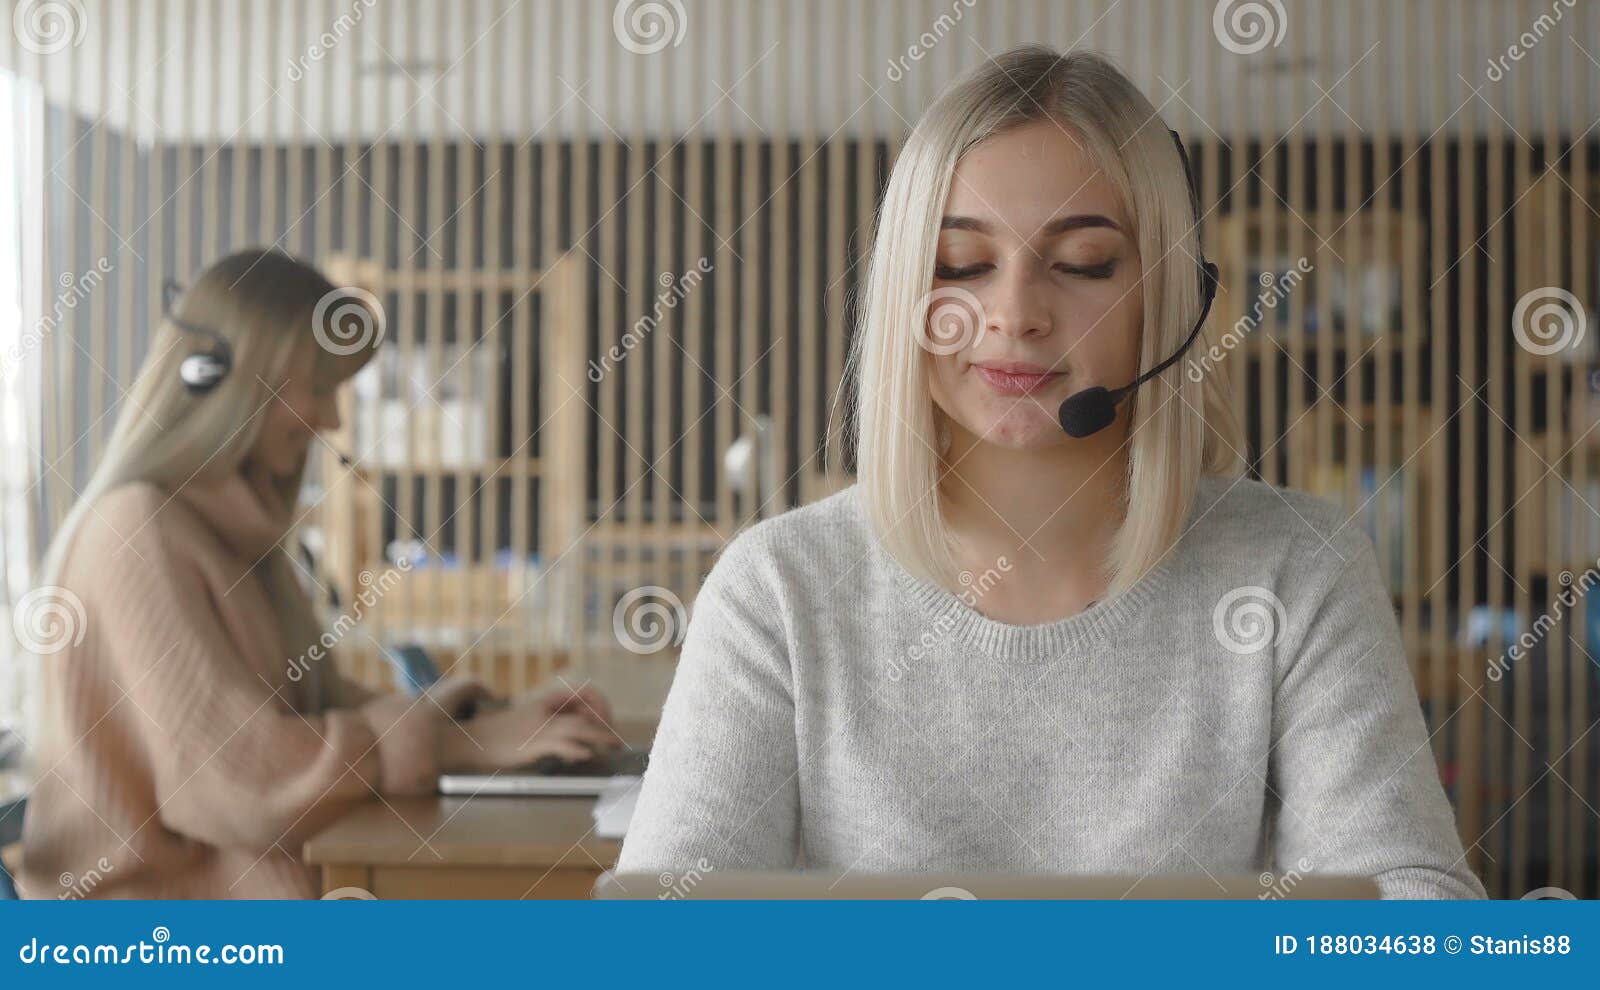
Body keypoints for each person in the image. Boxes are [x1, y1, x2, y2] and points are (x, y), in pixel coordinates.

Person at [618, 47, 1485, 899]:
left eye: (1081, 265)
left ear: (1169, 300)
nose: (1016, 315)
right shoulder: (780, 587)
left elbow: (1419, 914)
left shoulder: (1297, 564)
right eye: (963, 266)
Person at [19, 249, 617, 898]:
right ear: (218, 379)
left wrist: (480, 724)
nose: (331, 421)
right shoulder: (136, 532)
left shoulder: (232, 537)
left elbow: (315, 708)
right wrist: (453, 750)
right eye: (318, 388)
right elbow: (233, 781)